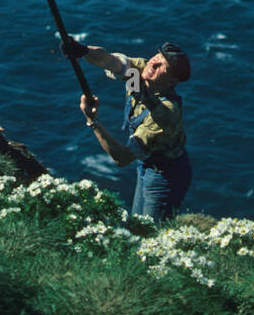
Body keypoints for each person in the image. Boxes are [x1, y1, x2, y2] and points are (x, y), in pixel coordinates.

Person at [61, 36, 192, 221]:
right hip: (146, 164)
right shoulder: (141, 70)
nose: (153, 63)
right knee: (137, 223)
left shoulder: (166, 113)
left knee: (150, 232)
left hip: (166, 175)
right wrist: (82, 51)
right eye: (157, 56)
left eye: (163, 66)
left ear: (172, 82)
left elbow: (122, 158)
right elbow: (110, 61)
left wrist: (93, 122)